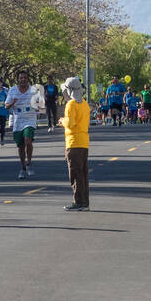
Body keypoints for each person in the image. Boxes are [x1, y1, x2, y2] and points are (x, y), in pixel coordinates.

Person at [59, 76, 90, 211]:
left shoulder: (71, 105)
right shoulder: (84, 103)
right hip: (84, 142)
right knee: (83, 173)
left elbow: (71, 124)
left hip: (73, 142)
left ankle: (78, 202)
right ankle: (85, 201)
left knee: (75, 173)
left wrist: (62, 121)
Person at [5, 69, 42, 179]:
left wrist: (38, 106)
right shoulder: (12, 90)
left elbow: (40, 104)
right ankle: (23, 167)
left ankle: (29, 163)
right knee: (21, 146)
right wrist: (13, 102)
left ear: (28, 79)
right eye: (21, 78)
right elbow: (6, 106)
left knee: (28, 141)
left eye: (25, 78)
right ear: (18, 79)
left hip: (30, 119)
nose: (23, 79)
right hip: (18, 120)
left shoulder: (33, 90)